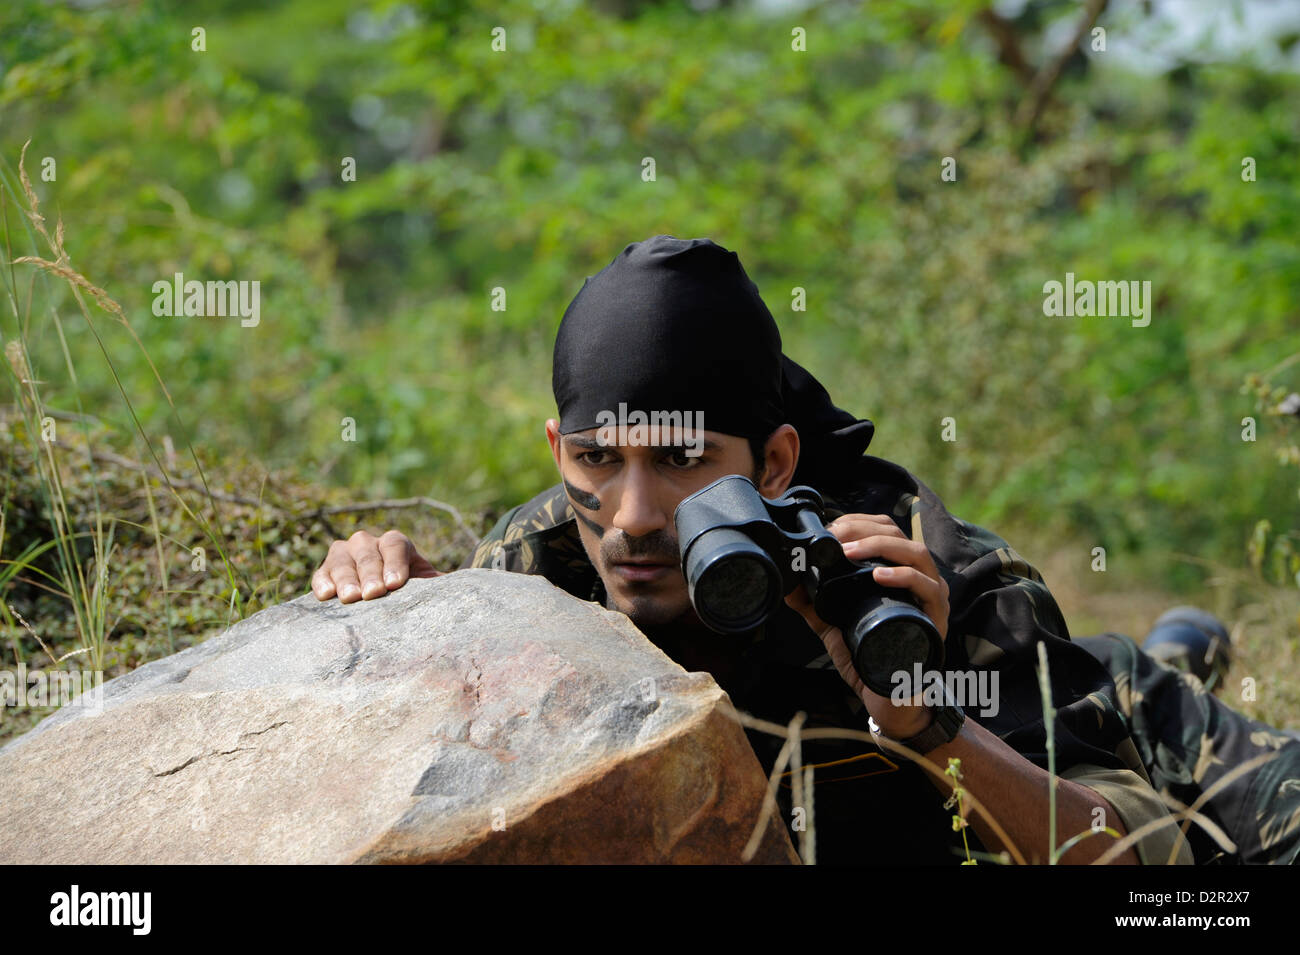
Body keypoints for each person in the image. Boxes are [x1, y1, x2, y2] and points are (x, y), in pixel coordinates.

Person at [312, 234, 1198, 865]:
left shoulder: (918, 576)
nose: (631, 515)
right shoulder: (544, 564)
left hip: (1141, 721)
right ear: (556, 449)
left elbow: (1141, 863)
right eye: (596, 459)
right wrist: (408, 629)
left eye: (682, 459)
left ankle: (1177, 658)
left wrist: (926, 720)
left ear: (775, 462)